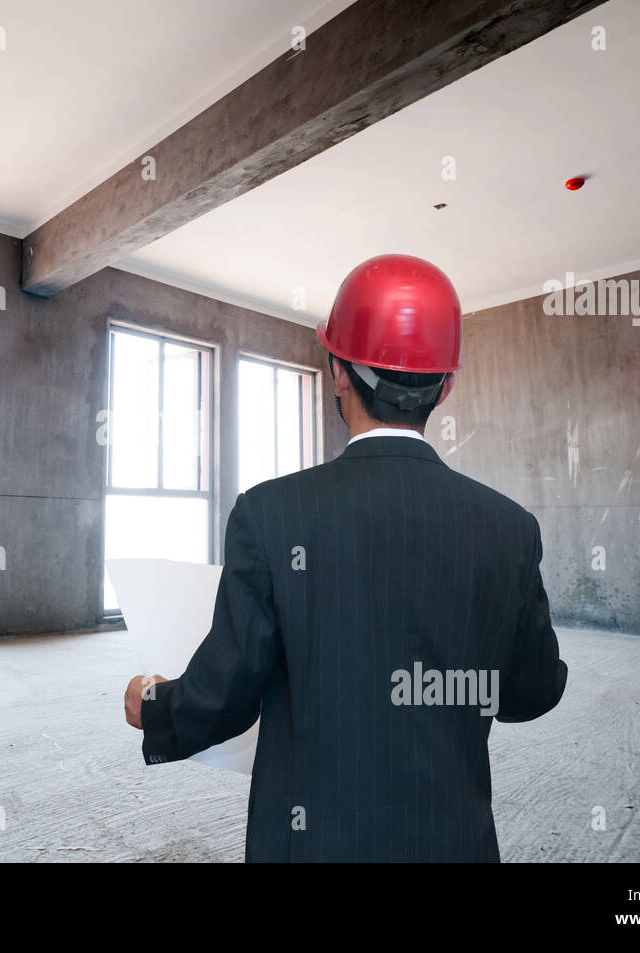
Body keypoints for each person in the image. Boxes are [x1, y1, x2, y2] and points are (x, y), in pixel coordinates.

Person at [123, 254, 567, 862]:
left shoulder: (271, 515)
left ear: (337, 369)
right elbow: (532, 691)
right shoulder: (510, 529)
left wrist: (155, 705)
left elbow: (224, 696)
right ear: (447, 384)